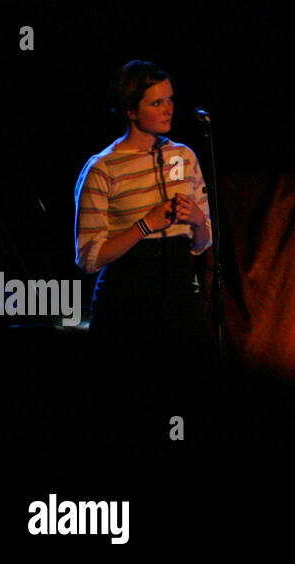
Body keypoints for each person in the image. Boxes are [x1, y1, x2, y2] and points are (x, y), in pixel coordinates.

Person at [74, 60, 213, 361]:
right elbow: (89, 257)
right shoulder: (103, 167)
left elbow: (203, 243)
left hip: (181, 296)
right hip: (127, 298)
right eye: (156, 102)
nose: (168, 109)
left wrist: (199, 221)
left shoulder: (183, 156)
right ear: (131, 111)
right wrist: (145, 225)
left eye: (170, 99)